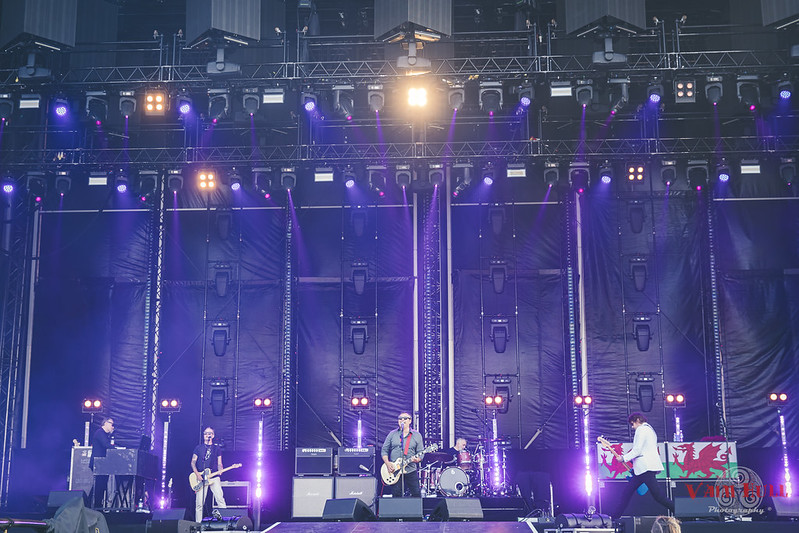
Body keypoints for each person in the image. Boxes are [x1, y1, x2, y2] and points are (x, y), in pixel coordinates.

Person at [611, 413, 675, 518]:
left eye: (632, 424)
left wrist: (623, 458)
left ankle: (680, 511)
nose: (632, 427)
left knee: (658, 496)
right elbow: (644, 450)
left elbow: (637, 450)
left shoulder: (641, 430)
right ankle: (614, 517)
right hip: (643, 469)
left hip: (645, 468)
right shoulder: (650, 429)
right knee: (627, 493)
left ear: (637, 420)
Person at [381, 412, 424, 497]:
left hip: (410, 469)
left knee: (416, 494)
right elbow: (384, 450)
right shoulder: (392, 434)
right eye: (400, 418)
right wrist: (387, 463)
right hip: (394, 469)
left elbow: (420, 452)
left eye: (405, 418)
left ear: (410, 421)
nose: (402, 420)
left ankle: (414, 510)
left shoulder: (416, 435)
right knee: (396, 495)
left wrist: (417, 459)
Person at [191, 427, 227, 523]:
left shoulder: (217, 448)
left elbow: (220, 463)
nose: (207, 435)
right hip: (201, 477)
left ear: (213, 435)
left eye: (209, 433)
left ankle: (226, 522)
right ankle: (198, 524)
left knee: (220, 499)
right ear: (204, 435)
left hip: (214, 477)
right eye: (206, 433)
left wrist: (220, 469)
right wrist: (197, 474)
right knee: (199, 503)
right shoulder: (198, 448)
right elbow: (193, 462)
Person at [90, 417, 115, 508]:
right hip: (98, 463)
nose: (113, 427)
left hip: (102, 464)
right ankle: (92, 505)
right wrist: (117, 451)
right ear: (105, 423)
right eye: (111, 424)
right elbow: (106, 445)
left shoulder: (104, 435)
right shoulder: (100, 433)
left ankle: (96, 505)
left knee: (101, 485)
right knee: (98, 485)